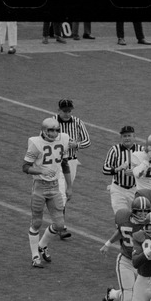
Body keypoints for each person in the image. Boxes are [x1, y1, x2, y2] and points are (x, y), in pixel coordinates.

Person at [100, 195, 151, 301]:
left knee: (142, 299)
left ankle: (113, 294)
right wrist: (108, 243)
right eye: (140, 212)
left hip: (143, 263)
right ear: (134, 211)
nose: (143, 215)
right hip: (126, 261)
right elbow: (121, 231)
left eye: (145, 212)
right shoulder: (124, 218)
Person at [22, 117, 72, 267]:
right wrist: (40, 170)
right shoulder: (36, 144)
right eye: (50, 130)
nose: (54, 133)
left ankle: (42, 245)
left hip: (55, 186)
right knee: (37, 222)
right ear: (43, 130)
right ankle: (35, 256)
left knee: (59, 224)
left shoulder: (62, 141)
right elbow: (25, 167)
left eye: (56, 130)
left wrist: (69, 187)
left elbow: (64, 164)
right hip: (39, 186)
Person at [55, 98, 91, 238]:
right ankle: (60, 226)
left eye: (69, 111)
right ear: (59, 110)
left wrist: (77, 145)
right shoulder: (52, 122)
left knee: (65, 193)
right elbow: (43, 138)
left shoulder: (77, 122)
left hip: (71, 161)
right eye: (65, 111)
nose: (67, 113)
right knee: (61, 193)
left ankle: (57, 219)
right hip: (56, 162)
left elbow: (87, 141)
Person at [103, 125, 144, 213]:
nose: (127, 138)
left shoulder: (141, 150)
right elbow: (105, 169)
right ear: (121, 138)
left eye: (129, 135)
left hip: (136, 189)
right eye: (124, 136)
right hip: (118, 189)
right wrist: (118, 169)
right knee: (121, 217)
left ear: (134, 136)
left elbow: (148, 171)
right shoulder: (114, 150)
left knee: (137, 217)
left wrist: (135, 172)